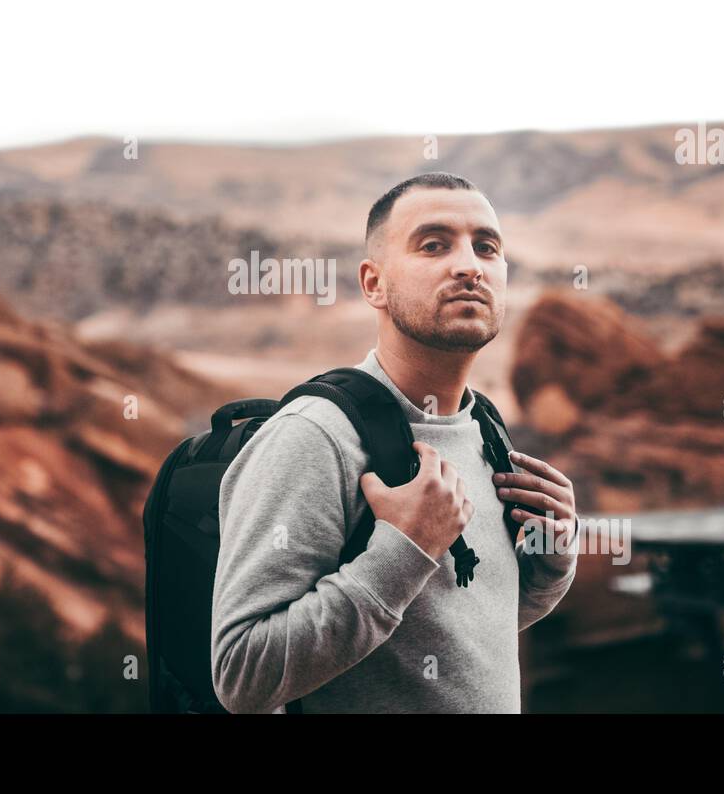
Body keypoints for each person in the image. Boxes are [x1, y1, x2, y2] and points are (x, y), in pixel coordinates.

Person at [210, 172, 580, 713]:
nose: (468, 266)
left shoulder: (486, 431)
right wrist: (404, 552)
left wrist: (551, 560)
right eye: (434, 245)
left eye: (486, 247)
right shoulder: (315, 438)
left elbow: (459, 624)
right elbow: (242, 675)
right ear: (373, 283)